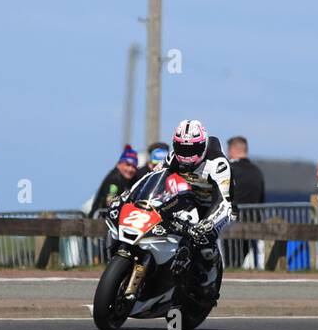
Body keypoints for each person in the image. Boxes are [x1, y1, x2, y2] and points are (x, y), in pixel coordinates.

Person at [105, 120, 234, 306]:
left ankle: (206, 284)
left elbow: (224, 202)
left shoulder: (218, 164)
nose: (186, 155)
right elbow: (150, 178)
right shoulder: (174, 157)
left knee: (204, 243)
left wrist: (207, 224)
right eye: (181, 148)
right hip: (187, 198)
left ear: (203, 146)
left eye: (191, 150)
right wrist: (127, 196)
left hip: (212, 206)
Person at [226, 136, 266, 268]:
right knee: (243, 258)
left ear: (232, 150)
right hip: (254, 222)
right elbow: (261, 199)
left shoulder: (229, 169)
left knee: (230, 261)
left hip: (232, 222)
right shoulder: (257, 172)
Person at [88, 145, 140, 217]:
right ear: (119, 164)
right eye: (128, 165)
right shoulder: (114, 179)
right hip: (101, 220)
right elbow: (110, 201)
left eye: (134, 166)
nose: (130, 169)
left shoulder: (132, 179)